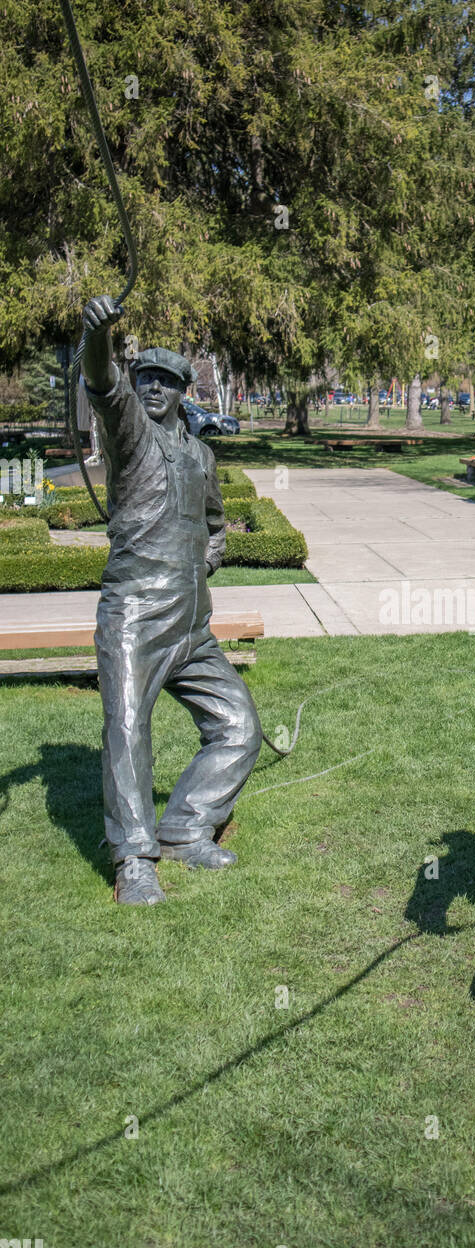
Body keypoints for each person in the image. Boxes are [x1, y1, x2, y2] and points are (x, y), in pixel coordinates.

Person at [81, 295, 262, 906]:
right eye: (145, 378)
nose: (153, 387)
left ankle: (186, 827)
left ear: (185, 389)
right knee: (128, 730)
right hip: (134, 614)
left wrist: (205, 562)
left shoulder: (201, 454)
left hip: (192, 625)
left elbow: (216, 525)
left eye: (166, 380)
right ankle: (134, 857)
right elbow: (104, 385)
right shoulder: (131, 435)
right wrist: (99, 337)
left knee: (238, 726)